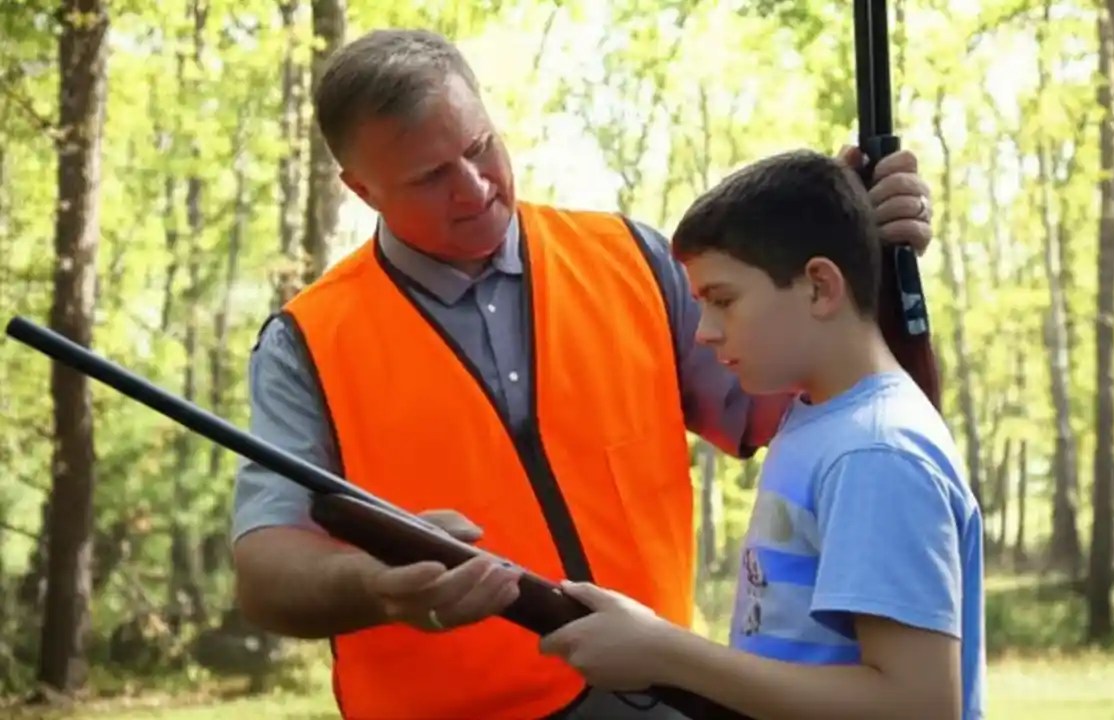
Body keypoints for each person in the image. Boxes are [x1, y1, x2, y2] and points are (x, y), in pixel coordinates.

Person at [229, 28, 938, 720]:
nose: (474, 188)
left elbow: (823, 406)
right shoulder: (309, 341)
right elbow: (266, 571)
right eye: (430, 176)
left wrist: (858, 261)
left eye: (480, 148)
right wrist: (376, 586)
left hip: (661, 698)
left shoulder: (631, 259)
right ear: (362, 189)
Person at [539, 150, 984, 720]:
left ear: (821, 287)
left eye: (722, 301)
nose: (703, 332)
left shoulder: (875, 452)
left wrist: (664, 652)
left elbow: (915, 704)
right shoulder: (816, 419)